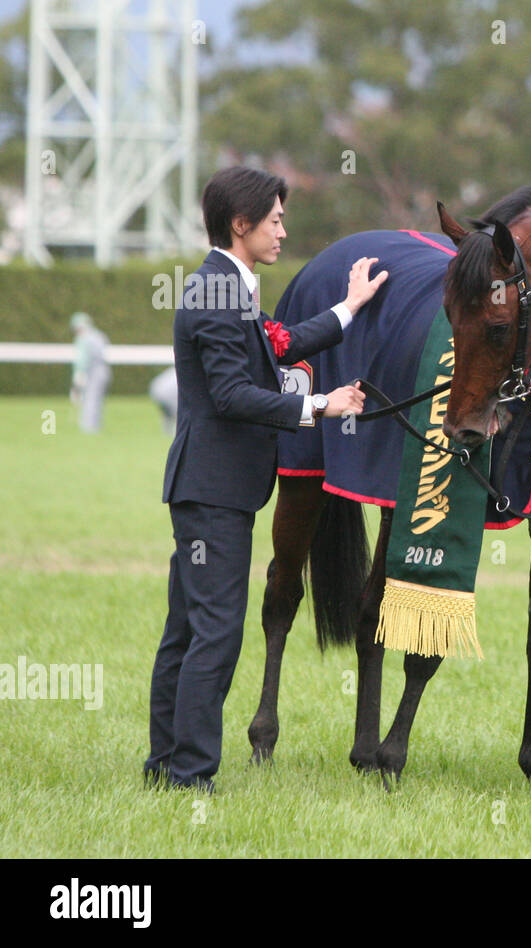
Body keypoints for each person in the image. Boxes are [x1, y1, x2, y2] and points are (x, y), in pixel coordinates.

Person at [146, 166, 389, 792]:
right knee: (216, 635)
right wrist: (319, 406)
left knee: (186, 630)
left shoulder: (229, 289)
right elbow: (231, 393)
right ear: (241, 224)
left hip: (210, 487)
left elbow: (275, 347)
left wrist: (348, 308)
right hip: (214, 490)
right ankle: (189, 777)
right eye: (275, 220)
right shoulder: (218, 293)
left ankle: (166, 765)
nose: (284, 231)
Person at [70, 312, 111, 432]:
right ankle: (95, 425)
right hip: (103, 371)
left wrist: (79, 376)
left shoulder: (84, 338)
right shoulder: (99, 335)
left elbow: (82, 360)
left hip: (93, 372)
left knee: (90, 399)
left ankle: (89, 427)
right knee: (97, 400)